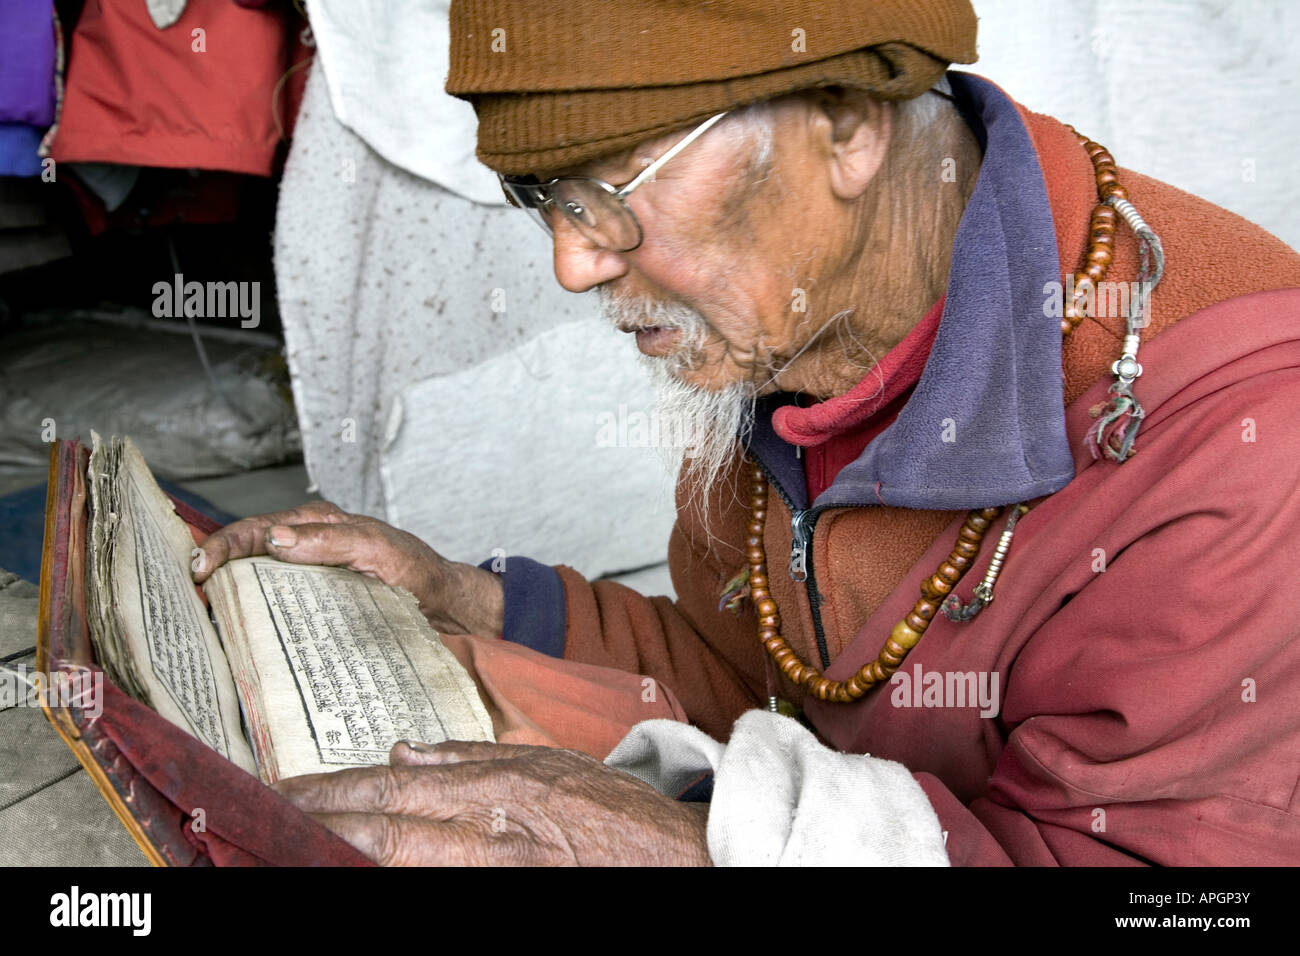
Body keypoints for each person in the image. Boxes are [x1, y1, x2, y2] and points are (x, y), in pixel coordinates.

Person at [193, 0, 1300, 865]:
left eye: (608, 188)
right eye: (545, 197)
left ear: (847, 126)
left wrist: (696, 847)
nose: (572, 263)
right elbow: (760, 674)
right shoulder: (798, 326)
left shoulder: (1235, 439)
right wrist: (465, 595)